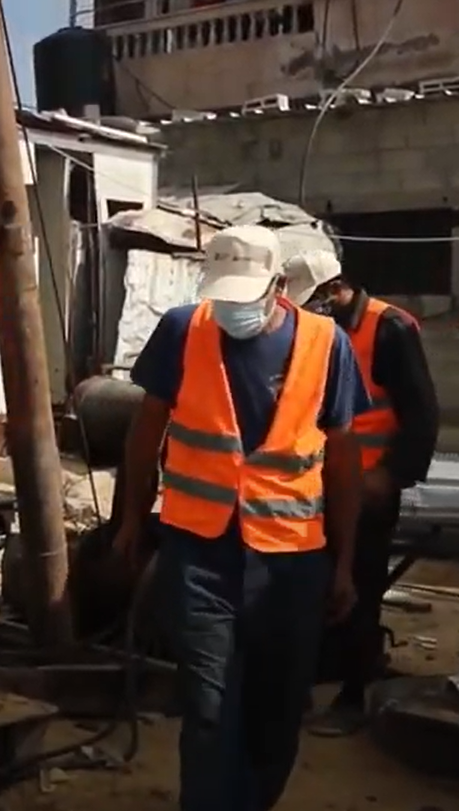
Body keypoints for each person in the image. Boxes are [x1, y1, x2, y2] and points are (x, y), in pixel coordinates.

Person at [112, 225, 369, 811]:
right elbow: (145, 429)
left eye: (245, 296)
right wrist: (132, 518)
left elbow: (344, 460)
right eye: (222, 294)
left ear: (279, 286)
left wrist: (345, 562)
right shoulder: (183, 329)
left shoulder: (326, 344)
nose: (232, 309)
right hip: (200, 553)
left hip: (291, 561)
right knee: (209, 707)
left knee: (276, 712)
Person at [282, 249, 440, 736]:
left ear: (334, 290)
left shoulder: (389, 328)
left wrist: (391, 474)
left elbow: (422, 413)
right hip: (317, 484)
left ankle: (354, 694)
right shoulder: (312, 333)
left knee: (362, 588)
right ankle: (300, 685)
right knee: (305, 586)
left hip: (369, 486)